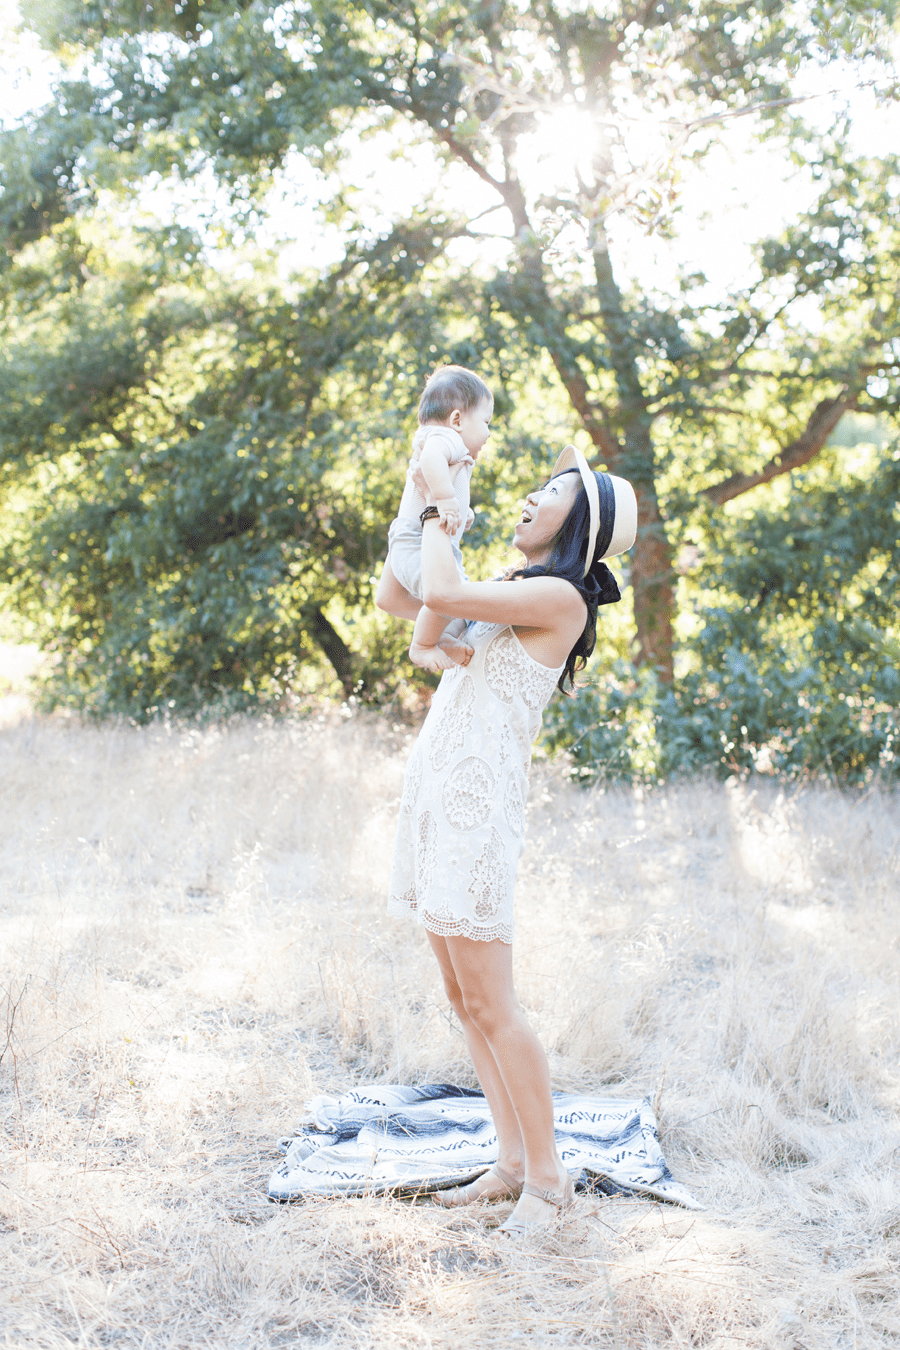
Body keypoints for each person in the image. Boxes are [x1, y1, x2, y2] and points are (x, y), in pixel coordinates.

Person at [379, 444, 638, 1238]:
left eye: (550, 491)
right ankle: (512, 1162)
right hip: (437, 804)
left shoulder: (560, 598)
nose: (528, 497)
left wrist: (436, 510)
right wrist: (432, 495)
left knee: (493, 1000)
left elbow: (445, 588)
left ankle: (549, 1181)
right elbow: (405, 598)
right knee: (463, 999)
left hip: (476, 814)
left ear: (580, 524)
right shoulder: (516, 585)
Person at [376, 365, 493, 673]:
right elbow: (431, 461)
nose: (489, 432)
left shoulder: (443, 441)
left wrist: (458, 510)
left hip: (408, 538)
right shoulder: (446, 438)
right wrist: (444, 499)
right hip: (417, 542)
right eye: (485, 421)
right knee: (450, 597)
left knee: (451, 612)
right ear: (457, 419)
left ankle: (442, 637)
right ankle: (422, 645)